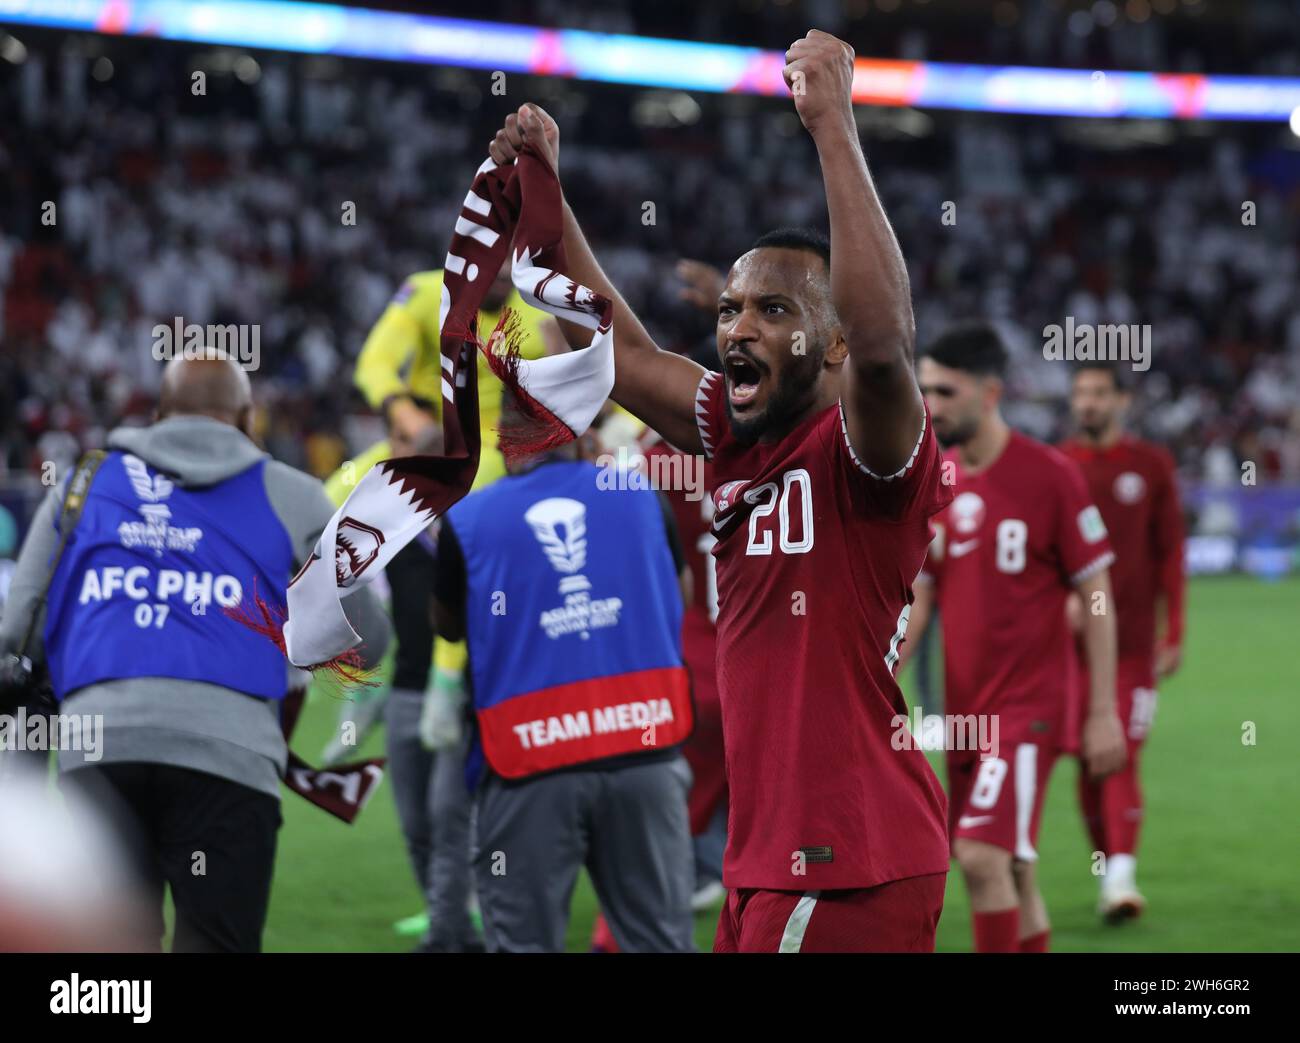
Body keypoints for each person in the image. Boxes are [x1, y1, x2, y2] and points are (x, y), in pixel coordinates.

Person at [488, 28, 953, 953]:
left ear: (826, 349)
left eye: (771, 310)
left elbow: (883, 341)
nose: (737, 325)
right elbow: (616, 351)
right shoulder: (733, 436)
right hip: (768, 860)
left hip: (849, 859)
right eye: (731, 307)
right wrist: (544, 190)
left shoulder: (866, 456)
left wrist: (833, 126)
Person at [0, 354, 391, 952]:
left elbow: (17, 627)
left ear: (157, 416)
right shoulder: (292, 494)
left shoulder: (83, 481)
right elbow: (370, 639)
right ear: (247, 419)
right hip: (229, 755)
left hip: (100, 747)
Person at [432, 393, 696, 953]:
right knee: (661, 942)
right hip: (644, 748)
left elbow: (448, 626)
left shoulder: (469, 519)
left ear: (505, 446)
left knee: (524, 943)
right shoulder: (640, 495)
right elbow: (681, 594)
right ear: (582, 434)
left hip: (529, 756)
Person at [905, 324, 1126, 953]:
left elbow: (1097, 591)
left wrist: (1104, 710)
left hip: (1028, 711)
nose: (933, 406)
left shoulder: (1049, 475)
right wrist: (883, 670)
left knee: (977, 858)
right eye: (926, 391)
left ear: (991, 392)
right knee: (1016, 869)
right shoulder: (938, 480)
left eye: (946, 391)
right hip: (965, 714)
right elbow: (922, 594)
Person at [1060, 361, 1186, 922]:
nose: (1088, 403)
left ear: (1122, 401)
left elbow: (1172, 554)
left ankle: (1121, 882)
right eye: (1081, 393)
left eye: (1099, 393)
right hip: (1068, 652)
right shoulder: (1058, 465)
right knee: (1089, 768)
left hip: (1132, 646)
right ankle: (1109, 870)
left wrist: (1174, 631)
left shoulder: (1151, 466)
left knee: (1119, 755)